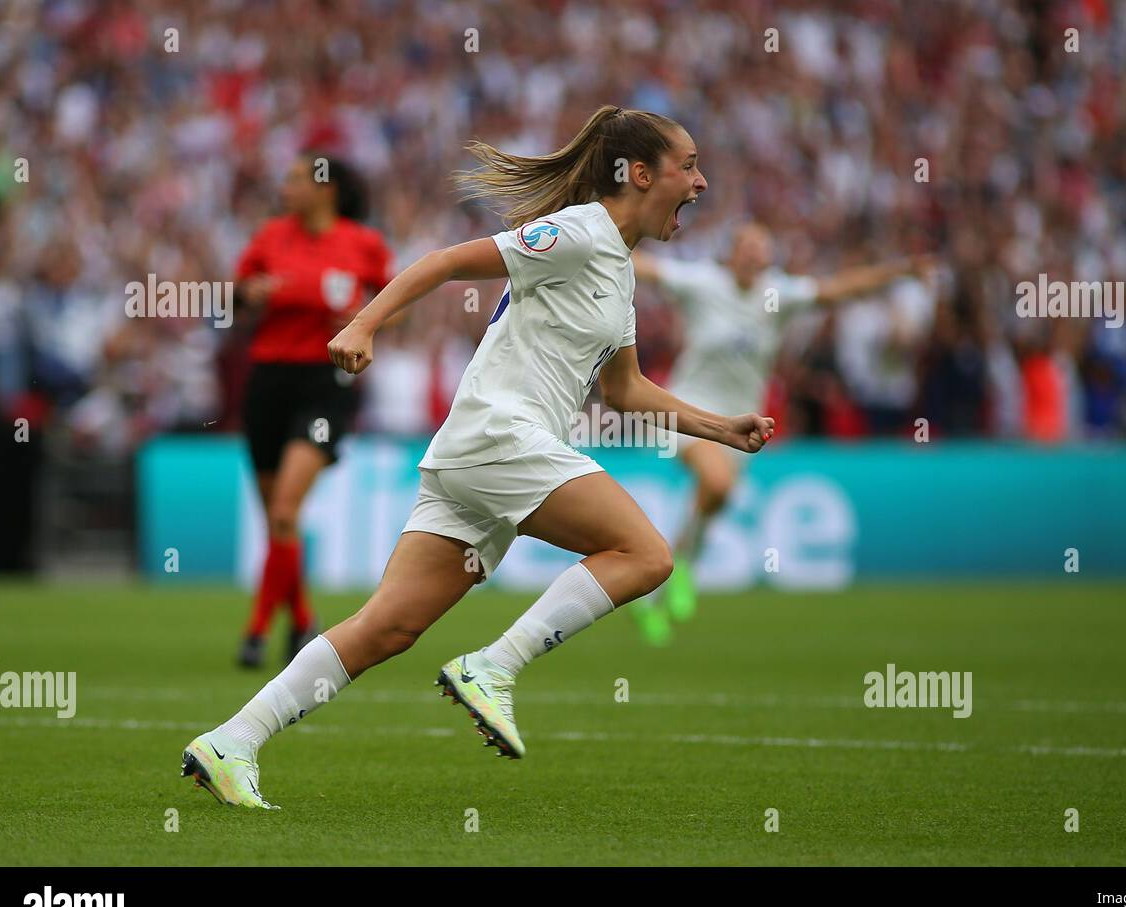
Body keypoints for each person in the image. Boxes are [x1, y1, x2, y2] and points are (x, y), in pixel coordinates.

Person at [180, 106, 775, 808]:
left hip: (481, 456)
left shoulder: (617, 269)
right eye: (691, 166)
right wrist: (364, 322)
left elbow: (625, 389)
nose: (702, 182)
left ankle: (234, 741)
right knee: (646, 555)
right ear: (640, 174)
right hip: (501, 436)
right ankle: (496, 666)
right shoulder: (580, 231)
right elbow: (447, 262)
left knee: (387, 627)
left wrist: (719, 427)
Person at [629, 228, 929, 643]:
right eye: (748, 250)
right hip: (690, 410)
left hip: (743, 422)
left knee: (718, 493)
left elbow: (836, 290)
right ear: (730, 256)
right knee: (716, 482)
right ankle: (681, 567)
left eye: (762, 253)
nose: (755, 259)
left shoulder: (778, 295)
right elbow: (647, 269)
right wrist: (591, 242)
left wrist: (899, 271)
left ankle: (673, 574)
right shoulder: (702, 284)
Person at [232, 155, 392, 668]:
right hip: (267, 382)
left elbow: (396, 296)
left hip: (324, 383)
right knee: (278, 520)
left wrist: (366, 322)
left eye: (295, 178)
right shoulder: (270, 237)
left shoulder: (362, 243)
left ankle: (255, 635)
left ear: (327, 189)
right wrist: (247, 294)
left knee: (284, 511)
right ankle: (302, 619)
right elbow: (233, 300)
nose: (286, 186)